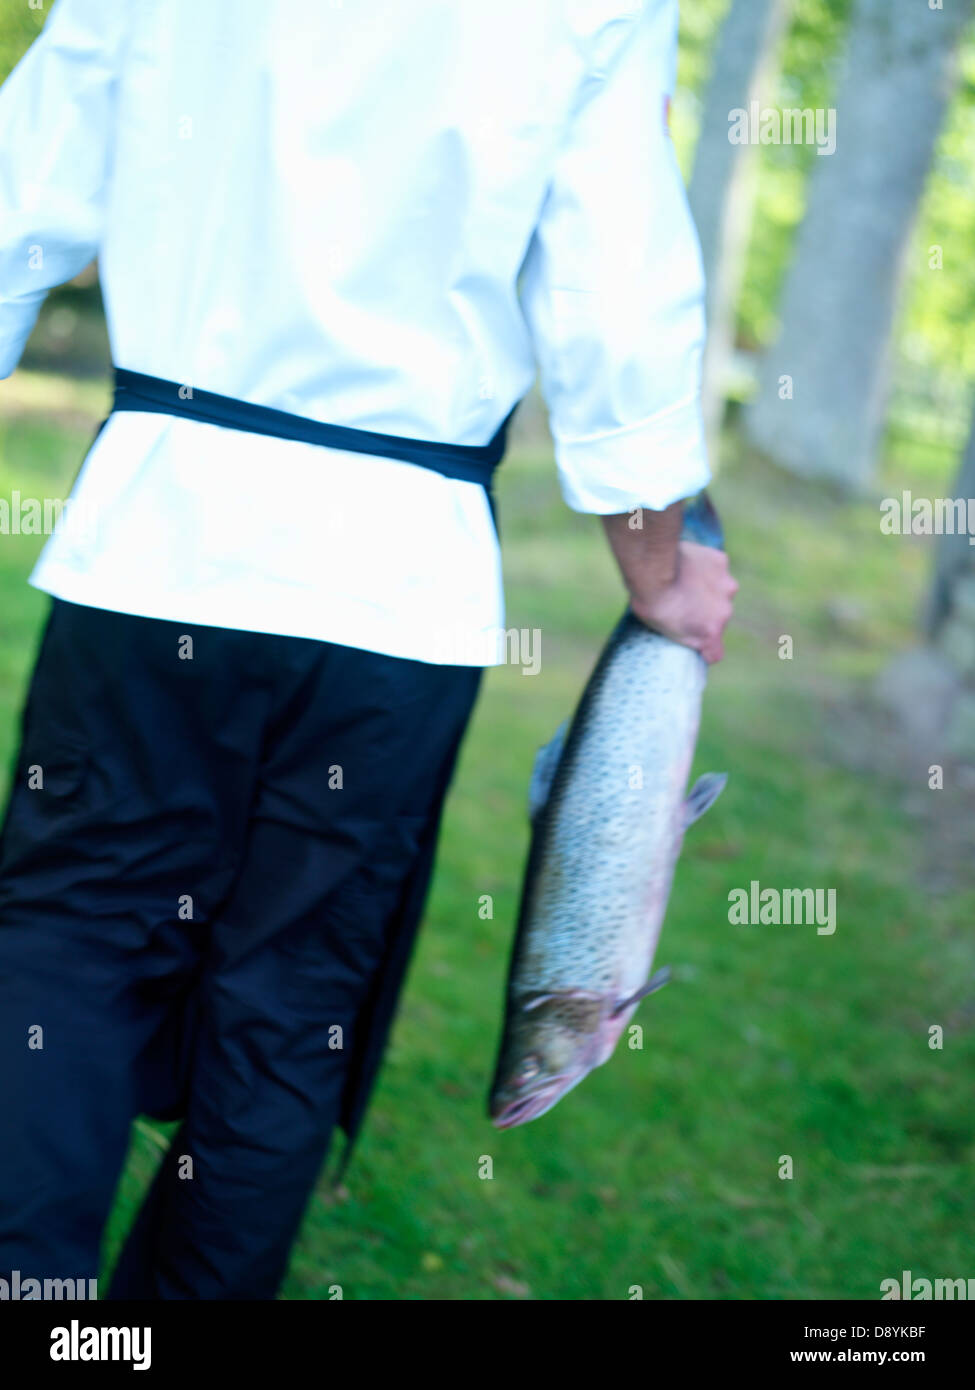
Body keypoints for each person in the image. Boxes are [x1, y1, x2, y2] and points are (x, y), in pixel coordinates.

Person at [0, 0, 736, 1300]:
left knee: (72, 943)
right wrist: (659, 570)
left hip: (157, 540)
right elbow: (615, 279)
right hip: (394, 593)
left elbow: (26, 182)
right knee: (289, 1006)